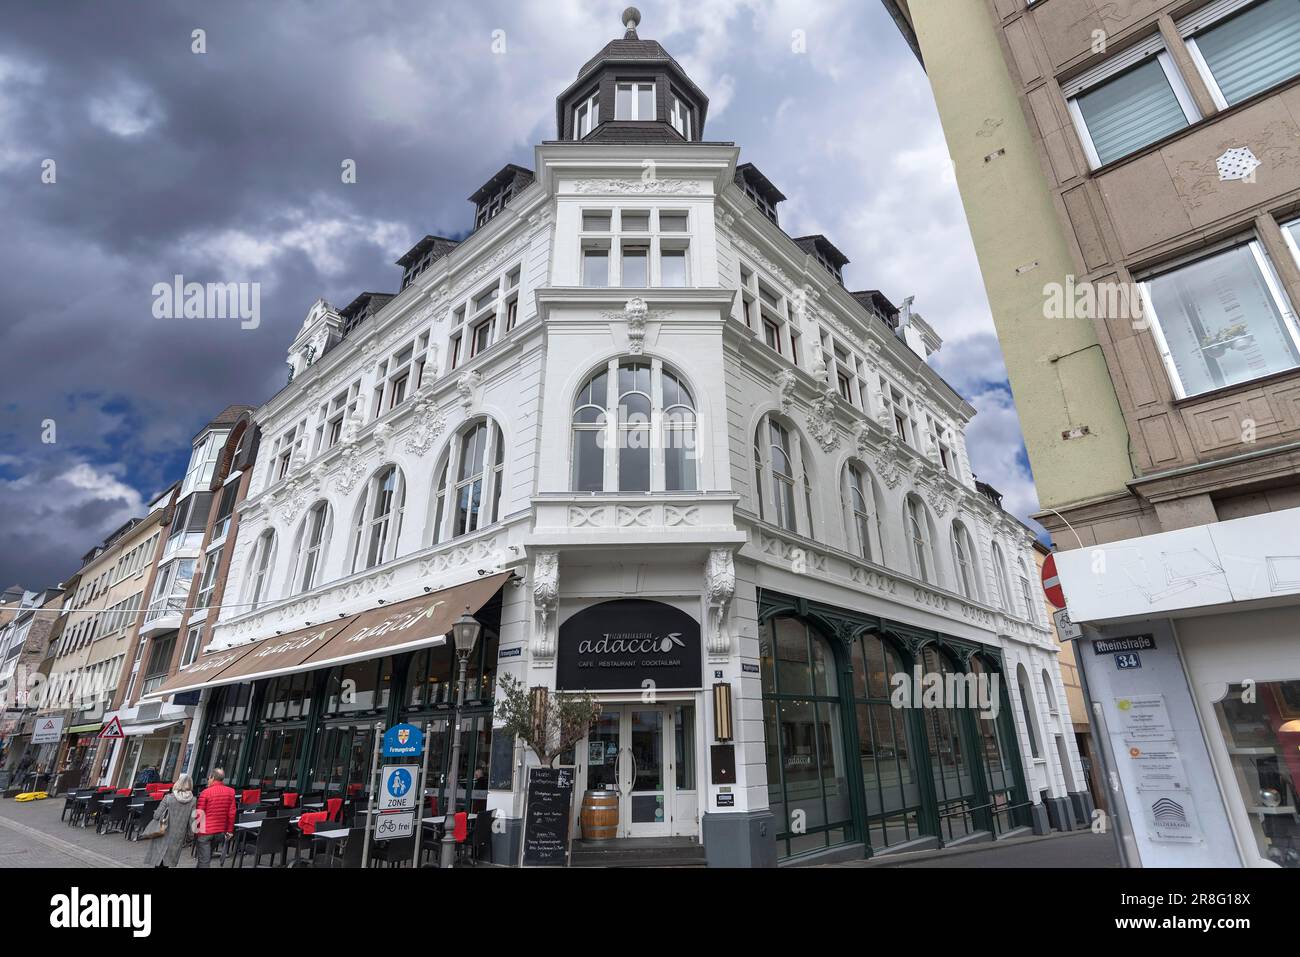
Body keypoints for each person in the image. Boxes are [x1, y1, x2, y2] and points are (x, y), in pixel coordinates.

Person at [144, 773, 196, 868]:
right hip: (177, 837)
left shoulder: (168, 798)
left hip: (162, 833)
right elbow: (192, 822)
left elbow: (156, 816)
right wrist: (189, 838)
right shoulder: (193, 801)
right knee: (168, 863)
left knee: (158, 861)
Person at [194, 768, 236, 868]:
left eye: (209, 778)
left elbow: (199, 814)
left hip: (205, 832)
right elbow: (232, 813)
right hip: (220, 832)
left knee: (204, 860)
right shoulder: (231, 792)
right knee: (205, 857)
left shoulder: (205, 792)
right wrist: (230, 831)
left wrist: (195, 831)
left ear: (212, 777)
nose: (208, 780)